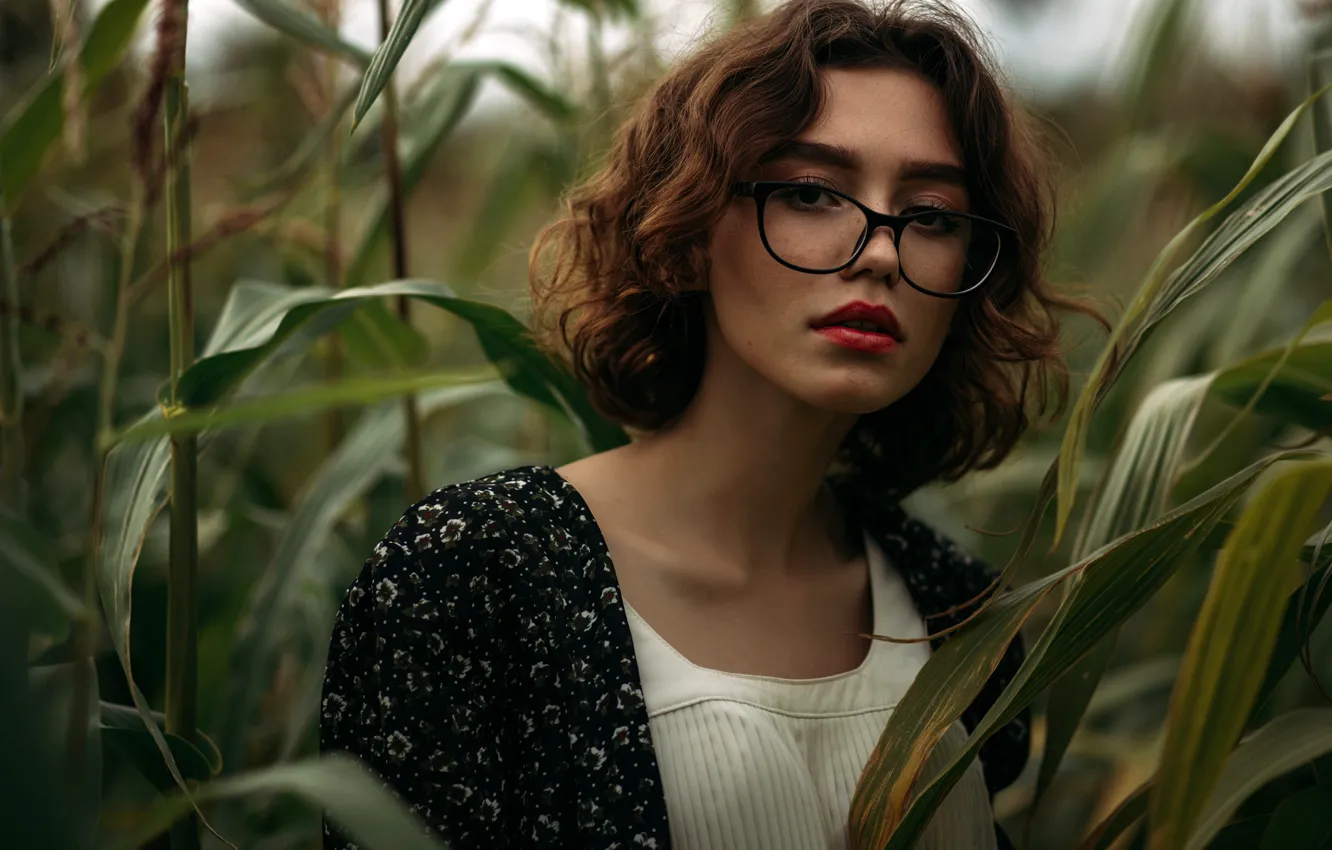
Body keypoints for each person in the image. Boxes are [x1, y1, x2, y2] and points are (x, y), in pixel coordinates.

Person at [319, 1, 1106, 848]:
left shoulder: (956, 606)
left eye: (934, 215)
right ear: (687, 232)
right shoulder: (475, 574)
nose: (883, 251)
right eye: (811, 193)